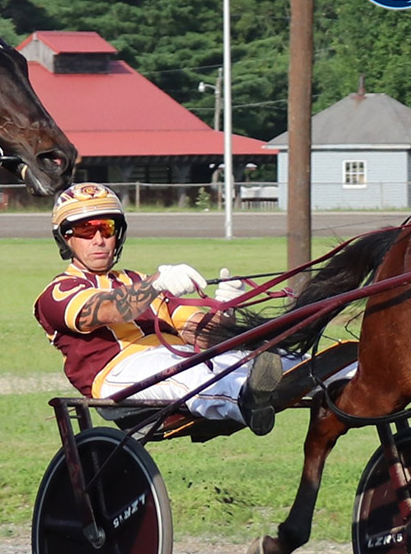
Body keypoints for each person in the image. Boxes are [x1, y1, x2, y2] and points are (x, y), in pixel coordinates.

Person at [33, 183, 282, 434]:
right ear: (66, 238)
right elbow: (108, 310)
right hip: (118, 375)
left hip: (178, 355)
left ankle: (311, 378)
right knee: (186, 373)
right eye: (85, 230)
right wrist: (156, 284)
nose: (98, 240)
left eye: (106, 229)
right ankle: (245, 403)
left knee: (252, 358)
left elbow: (201, 336)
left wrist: (225, 311)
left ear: (117, 234)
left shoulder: (139, 280)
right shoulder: (58, 292)